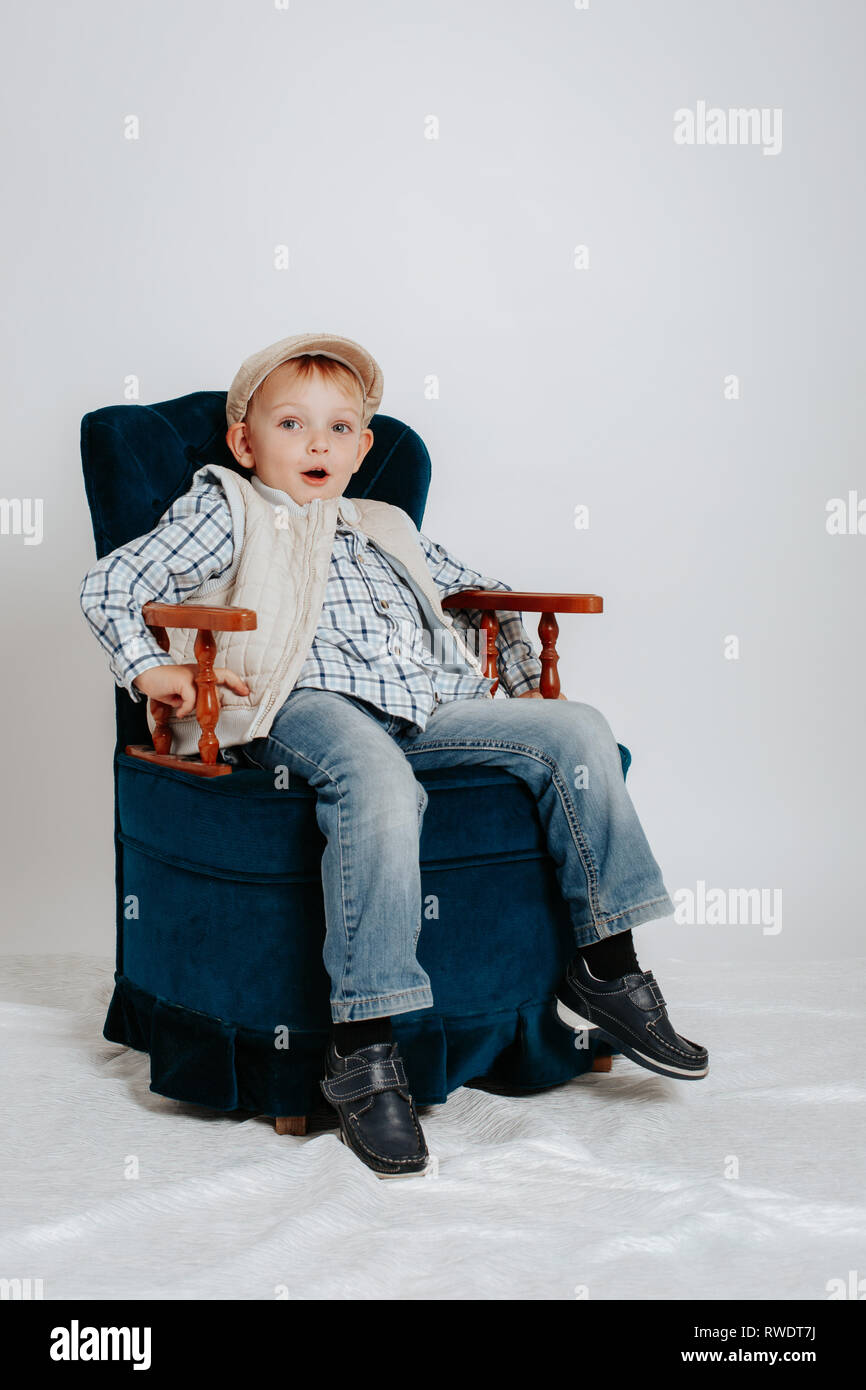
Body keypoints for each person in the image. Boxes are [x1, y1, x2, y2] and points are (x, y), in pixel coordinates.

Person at [79, 332, 708, 1180]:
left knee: (578, 730)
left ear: (364, 447)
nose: (317, 444)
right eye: (293, 424)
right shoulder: (224, 507)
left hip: (423, 704)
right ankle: (364, 1047)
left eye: (341, 429)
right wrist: (151, 667)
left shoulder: (384, 525)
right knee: (377, 778)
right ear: (244, 441)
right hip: (297, 701)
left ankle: (608, 969)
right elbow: (113, 583)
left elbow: (473, 595)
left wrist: (517, 679)